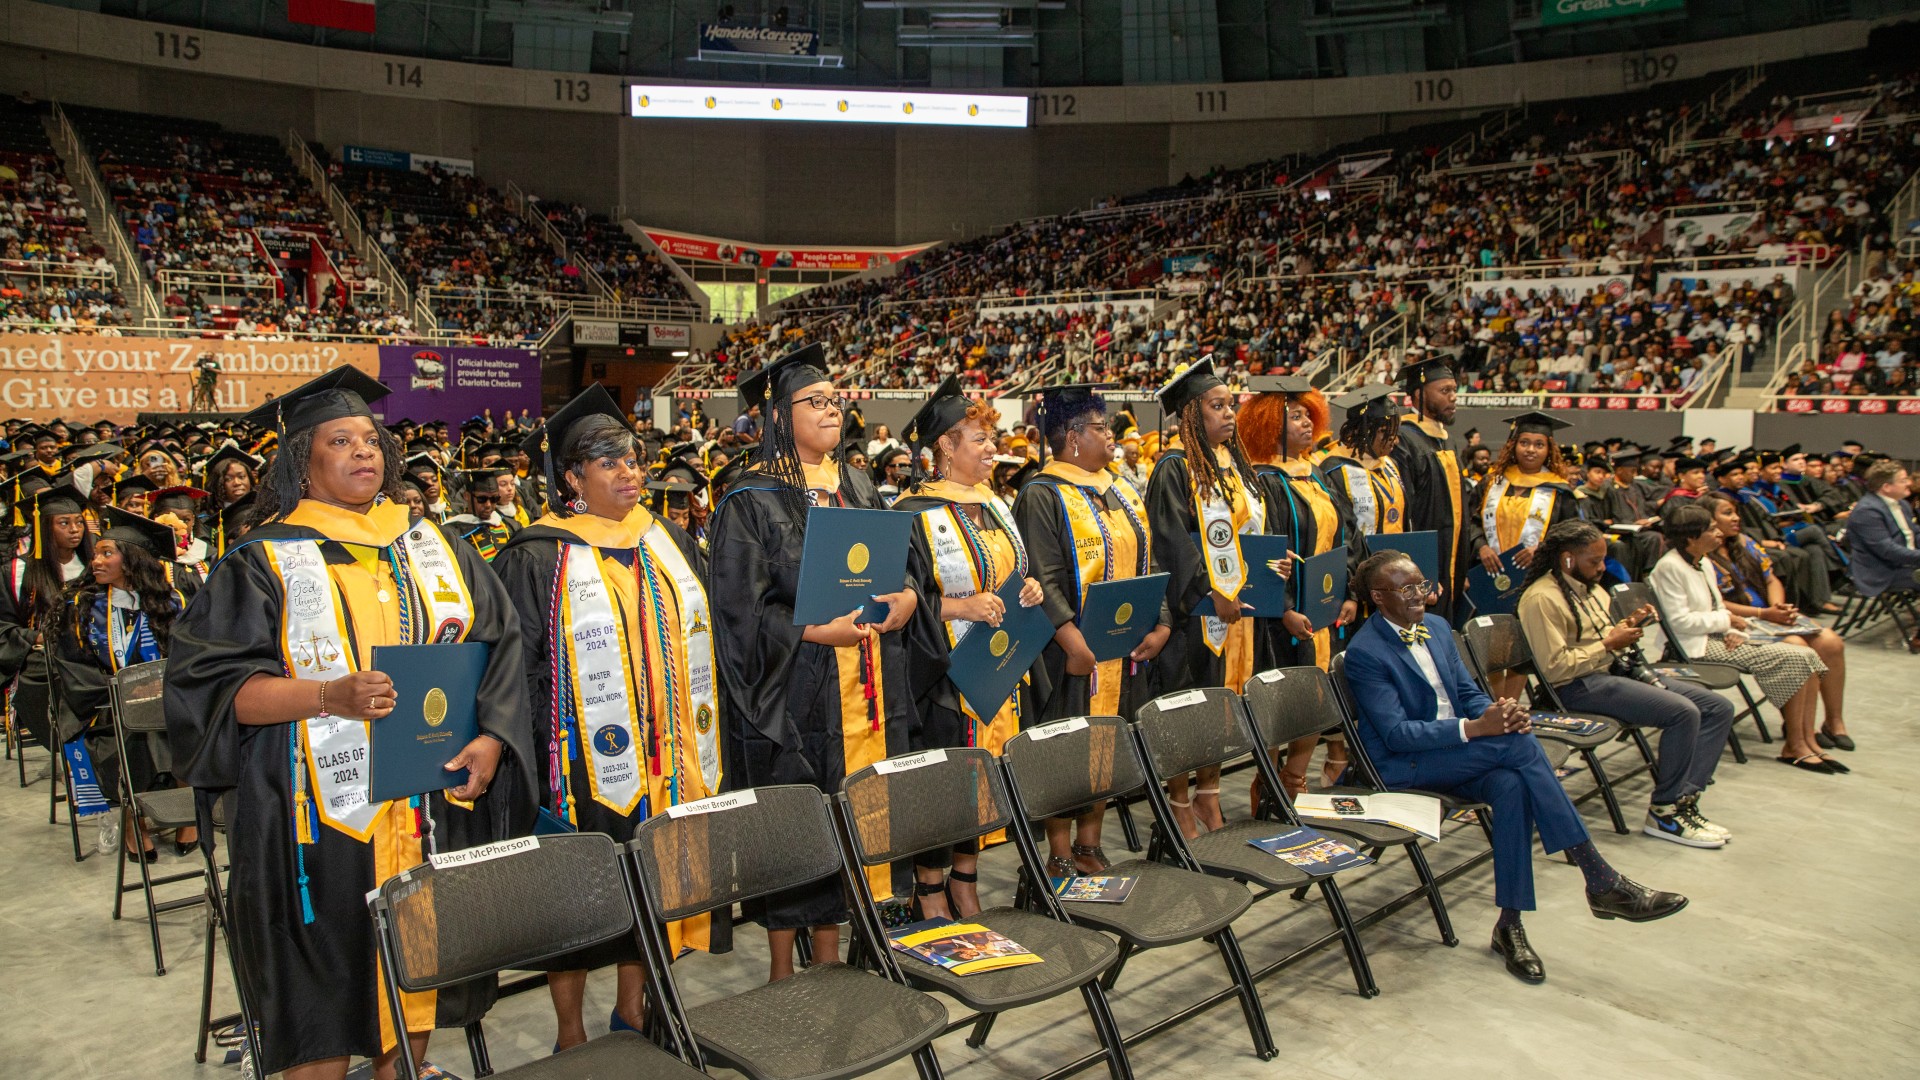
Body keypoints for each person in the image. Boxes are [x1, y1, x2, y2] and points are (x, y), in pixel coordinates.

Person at [163, 367, 536, 1080]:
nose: (366, 452)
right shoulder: (262, 560)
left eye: (372, 440)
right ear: (302, 461)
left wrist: (491, 737)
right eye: (342, 440)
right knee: (320, 988)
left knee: (419, 971)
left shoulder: (432, 546)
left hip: (431, 803)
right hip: (311, 819)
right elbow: (212, 691)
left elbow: (500, 643)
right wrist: (325, 697)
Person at [494, 384, 720, 1049]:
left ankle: (633, 1007)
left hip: (671, 753)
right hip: (579, 761)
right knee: (575, 896)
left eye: (635, 458)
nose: (631, 473)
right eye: (611, 461)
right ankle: (570, 1031)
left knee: (650, 884)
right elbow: (520, 669)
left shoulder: (669, 541)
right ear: (572, 476)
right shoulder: (539, 555)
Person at [1345, 551, 1687, 984]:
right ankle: (1599, 877)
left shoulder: (1436, 629)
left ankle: (1511, 925)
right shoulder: (1365, 652)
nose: (1421, 595)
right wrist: (1476, 728)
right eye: (1406, 588)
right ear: (1378, 596)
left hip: (1459, 749)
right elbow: (1396, 735)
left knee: (1511, 783)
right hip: (1404, 765)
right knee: (1519, 748)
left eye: (1422, 583)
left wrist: (1498, 714)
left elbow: (1468, 693)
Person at [705, 344, 920, 982]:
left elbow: (898, 558)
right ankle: (783, 974)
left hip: (868, 684)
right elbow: (738, 611)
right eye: (816, 401)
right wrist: (813, 631)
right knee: (797, 823)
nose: (832, 410)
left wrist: (908, 593)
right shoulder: (748, 499)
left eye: (836, 400)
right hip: (794, 691)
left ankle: (834, 962)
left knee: (860, 813)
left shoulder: (854, 481)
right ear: (778, 413)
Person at [894, 377, 1045, 915]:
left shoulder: (996, 504)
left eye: (991, 436)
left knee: (982, 776)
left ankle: (965, 877)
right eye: (978, 438)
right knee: (943, 781)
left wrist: (1027, 585)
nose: (991, 448)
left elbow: (1011, 570)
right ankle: (929, 888)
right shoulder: (911, 512)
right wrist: (960, 607)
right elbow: (900, 601)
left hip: (998, 666)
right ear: (945, 447)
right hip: (944, 670)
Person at [1013, 383, 1170, 875]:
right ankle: (1059, 854)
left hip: (1123, 649)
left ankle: (1089, 843)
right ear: (1073, 437)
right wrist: (1072, 641)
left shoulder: (1120, 491)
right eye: (1102, 428)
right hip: (1069, 652)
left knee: (1107, 746)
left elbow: (1149, 561)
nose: (1114, 439)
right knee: (1067, 753)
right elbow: (1041, 574)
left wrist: (1162, 621)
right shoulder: (1041, 495)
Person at [1515, 520, 1735, 848]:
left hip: (1610, 673)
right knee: (1683, 712)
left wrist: (1629, 626)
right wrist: (1607, 645)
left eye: (1603, 559)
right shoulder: (1542, 599)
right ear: (1567, 559)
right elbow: (1554, 668)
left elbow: (1602, 635)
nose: (1602, 568)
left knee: (1718, 707)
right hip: (1573, 687)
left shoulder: (1590, 588)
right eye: (1594, 561)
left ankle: (1682, 801)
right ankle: (1664, 812)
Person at [1146, 359, 1265, 838]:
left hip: (1232, 607)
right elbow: (1172, 542)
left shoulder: (1232, 467)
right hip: (1194, 613)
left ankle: (1209, 797)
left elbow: (1245, 533)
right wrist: (1207, 591)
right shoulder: (1174, 468)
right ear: (1191, 415)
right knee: (1186, 706)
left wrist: (1267, 566)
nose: (1230, 415)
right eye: (1217, 406)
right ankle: (1178, 802)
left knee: (1215, 707)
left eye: (1231, 406)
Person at [1237, 377, 1361, 796]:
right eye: (1295, 417)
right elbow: (1266, 551)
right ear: (1270, 425)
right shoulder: (1264, 481)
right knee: (1283, 699)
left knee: (1320, 693)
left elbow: (1348, 536)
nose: (1307, 423)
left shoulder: (1319, 475)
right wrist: (1285, 607)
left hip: (1326, 609)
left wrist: (1351, 593)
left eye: (1309, 414)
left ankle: (1296, 777)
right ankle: (1269, 782)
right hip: (1285, 616)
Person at [53, 507, 199, 859]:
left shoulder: (173, 602)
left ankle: (188, 813)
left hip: (170, 697)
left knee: (182, 724)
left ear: (132, 560)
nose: (95, 561)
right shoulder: (82, 607)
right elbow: (74, 665)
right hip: (107, 706)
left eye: (107, 553)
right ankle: (136, 820)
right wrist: (123, 691)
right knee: (132, 732)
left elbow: (195, 658)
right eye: (96, 553)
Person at [1649, 504, 1835, 774]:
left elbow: (1716, 607)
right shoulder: (1669, 568)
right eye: (1711, 529)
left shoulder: (1702, 562)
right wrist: (1727, 622)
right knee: (1795, 657)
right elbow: (1680, 623)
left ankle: (1807, 739)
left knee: (1808, 654)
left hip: (1718, 637)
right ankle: (1794, 745)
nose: (1718, 534)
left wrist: (1733, 629)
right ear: (1691, 537)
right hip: (1694, 647)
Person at [1696, 493, 1852, 750]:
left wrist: (1776, 607)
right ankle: (1800, 728)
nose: (1736, 517)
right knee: (1797, 646)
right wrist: (1763, 615)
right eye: (1727, 513)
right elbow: (1714, 604)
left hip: (1767, 614)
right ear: (1708, 520)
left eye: (1736, 512)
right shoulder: (1702, 555)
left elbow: (1771, 580)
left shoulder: (1745, 543)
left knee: (1831, 642)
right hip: (1738, 622)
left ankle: (1834, 721)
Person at [1391, 355, 1468, 608]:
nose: (1453, 397)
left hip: (1450, 562)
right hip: (1423, 564)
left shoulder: (1448, 441)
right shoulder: (1403, 440)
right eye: (1445, 390)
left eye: (1454, 390)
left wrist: (1459, 565)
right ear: (1418, 394)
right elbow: (1405, 512)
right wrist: (1420, 571)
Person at [1842, 460, 1920, 653]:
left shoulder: (1901, 504)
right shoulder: (1868, 511)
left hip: (1904, 563)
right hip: (1880, 570)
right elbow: (1887, 550)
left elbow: (1914, 533)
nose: (1908, 483)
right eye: (1903, 480)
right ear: (1886, 487)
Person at [1321, 384, 1409, 537]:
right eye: (1383, 431)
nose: (1393, 440)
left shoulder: (1389, 465)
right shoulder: (1334, 471)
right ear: (1360, 430)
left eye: (1394, 431)